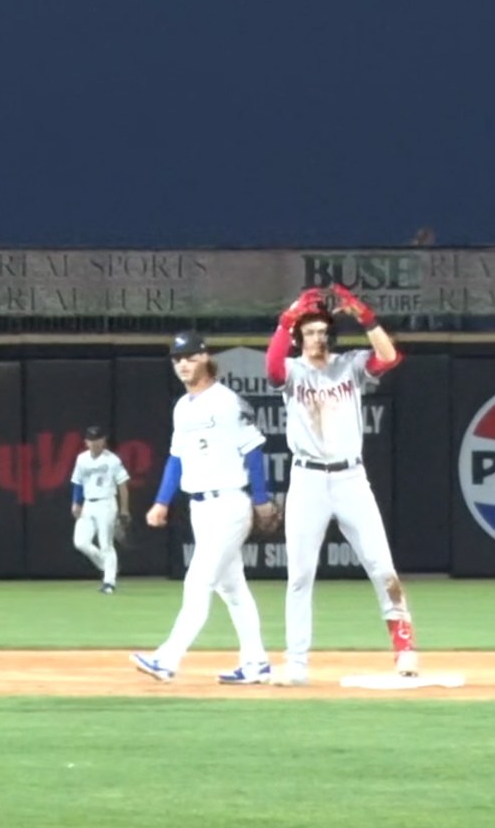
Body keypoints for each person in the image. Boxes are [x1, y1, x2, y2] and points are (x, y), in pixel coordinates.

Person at [265, 285, 420, 686]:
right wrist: (287, 319)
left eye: (322, 331)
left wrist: (366, 318)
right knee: (299, 575)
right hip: (308, 478)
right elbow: (272, 369)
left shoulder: (348, 365)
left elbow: (390, 356)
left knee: (381, 565)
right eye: (309, 331)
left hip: (351, 477)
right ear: (299, 337)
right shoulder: (294, 371)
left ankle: (405, 649)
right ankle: (296, 665)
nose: (317, 337)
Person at [130, 330, 278, 685]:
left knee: (198, 581)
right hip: (201, 507)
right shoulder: (182, 406)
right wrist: (161, 502)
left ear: (205, 358)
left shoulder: (226, 401)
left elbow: (253, 450)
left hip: (229, 502)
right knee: (232, 589)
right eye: (177, 358)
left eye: (190, 356)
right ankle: (256, 662)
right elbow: (176, 458)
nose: (183, 364)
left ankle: (167, 659)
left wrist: (261, 499)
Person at [70, 424, 131, 594]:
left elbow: (122, 485)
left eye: (97, 439)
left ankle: (109, 582)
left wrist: (124, 509)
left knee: (106, 544)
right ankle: (108, 565)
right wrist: (76, 502)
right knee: (80, 542)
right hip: (88, 503)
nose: (94, 443)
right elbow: (77, 482)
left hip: (106, 502)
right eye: (91, 439)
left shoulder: (112, 460)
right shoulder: (82, 459)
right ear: (86, 442)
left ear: (103, 440)